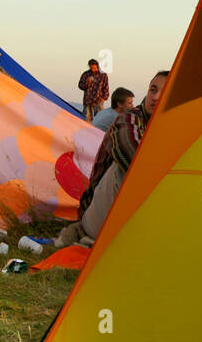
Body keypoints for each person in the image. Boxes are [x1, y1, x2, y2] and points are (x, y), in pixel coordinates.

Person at [56, 70, 167, 247]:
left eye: (166, 90)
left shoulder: (171, 129)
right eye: (153, 90)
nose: (156, 96)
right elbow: (130, 153)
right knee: (129, 165)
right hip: (99, 215)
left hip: (135, 214)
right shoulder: (129, 118)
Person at [77, 58, 109, 122]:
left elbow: (106, 87)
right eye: (91, 67)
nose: (93, 69)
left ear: (97, 66)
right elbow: (80, 86)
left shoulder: (103, 75)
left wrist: (104, 98)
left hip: (99, 99)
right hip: (87, 100)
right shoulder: (86, 74)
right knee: (86, 119)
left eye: (94, 67)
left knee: (100, 119)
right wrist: (87, 82)